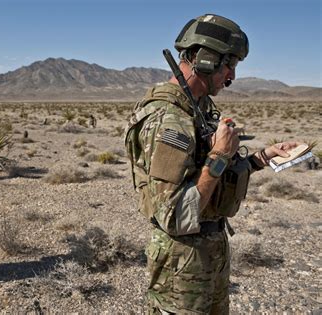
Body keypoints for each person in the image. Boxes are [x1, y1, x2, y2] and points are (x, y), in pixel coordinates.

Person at [124, 14, 299, 314]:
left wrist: (262, 158)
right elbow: (176, 216)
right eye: (229, 65)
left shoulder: (199, 108)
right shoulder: (170, 120)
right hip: (183, 268)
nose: (231, 77)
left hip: (209, 257)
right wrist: (218, 156)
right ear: (205, 58)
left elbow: (208, 177)